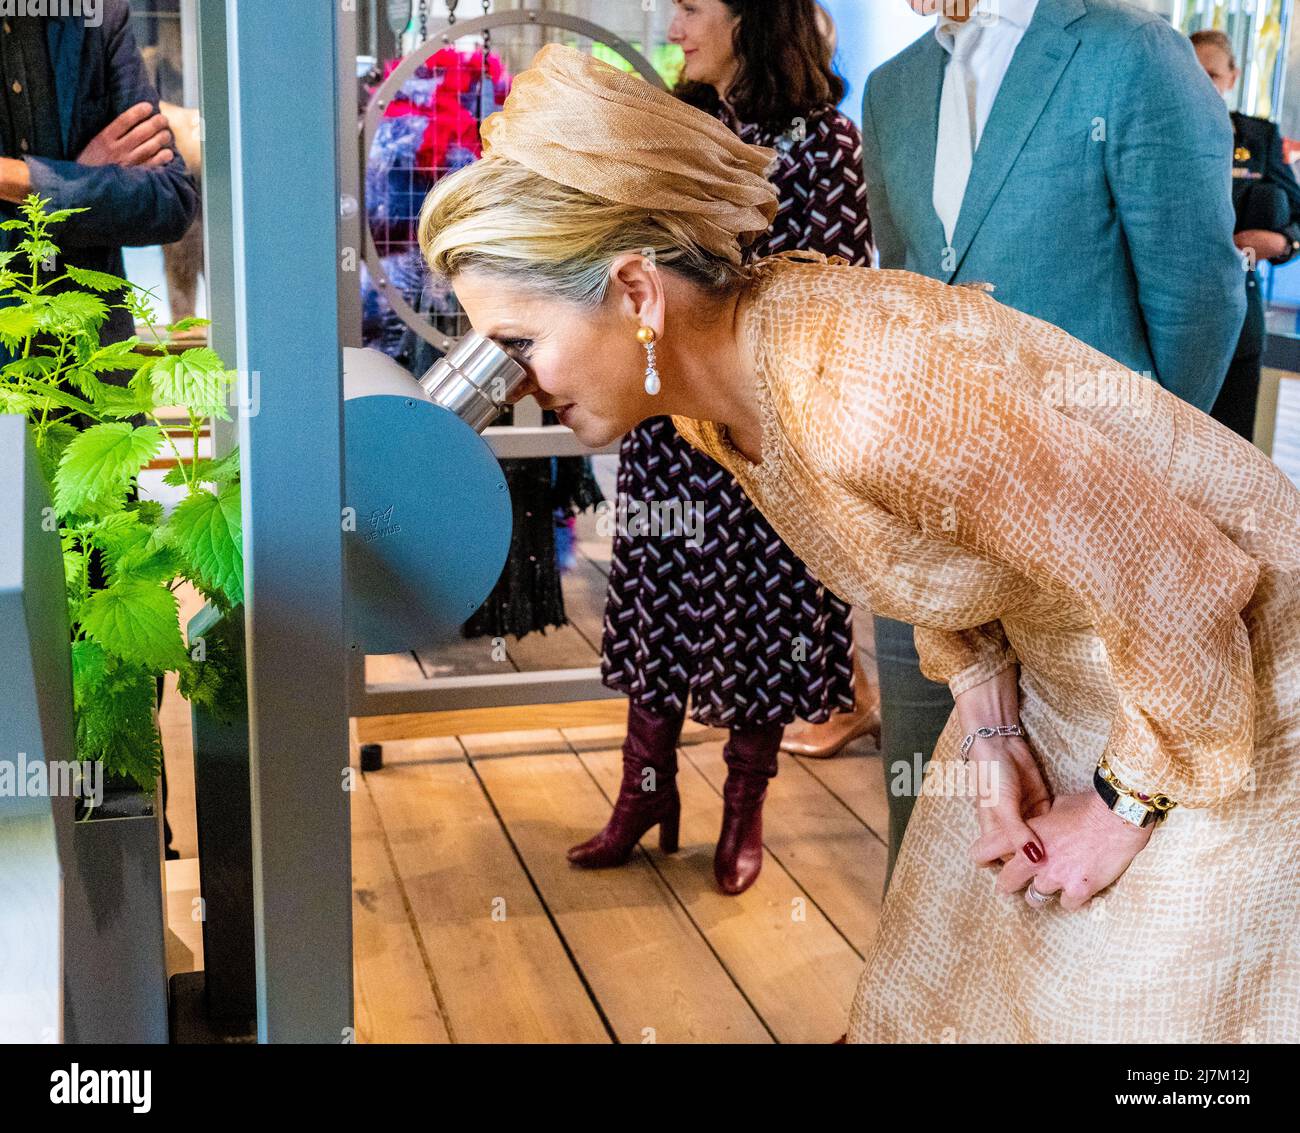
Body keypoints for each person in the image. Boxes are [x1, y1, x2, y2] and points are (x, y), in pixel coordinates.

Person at [418, 43, 1300, 1044]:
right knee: (951, 974)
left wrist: (1118, 805)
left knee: (1125, 1014)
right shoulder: (722, 399)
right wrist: (990, 728)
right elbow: (934, 556)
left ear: (634, 291)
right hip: (1103, 659)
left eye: (518, 342)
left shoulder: (859, 396)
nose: (516, 384)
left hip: (1247, 668)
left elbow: (1176, 579)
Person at [859, 0, 1247, 887]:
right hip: (937, 549)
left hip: (1101, 543)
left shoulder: (1133, 55)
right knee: (928, 830)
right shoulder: (893, 88)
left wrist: (1121, 482)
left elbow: (1198, 302)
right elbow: (909, 297)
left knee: (1086, 864)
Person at [583, 0, 874, 897]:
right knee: (660, 605)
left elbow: (833, 295)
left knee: (768, 616)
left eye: (691, 6)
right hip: (672, 425)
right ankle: (642, 793)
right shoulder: (675, 126)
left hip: (764, 431)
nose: (673, 26)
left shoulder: (827, 143)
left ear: (753, 15)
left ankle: (743, 813)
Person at [1193, 27, 1300, 443]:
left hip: (1239, 297)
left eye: (1213, 74)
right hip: (1165, 301)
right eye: (1192, 71)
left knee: (1231, 436)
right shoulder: (1152, 134)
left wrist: (1283, 243)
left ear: (1232, 78)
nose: (1203, 83)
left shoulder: (1258, 137)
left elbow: (1296, 215)